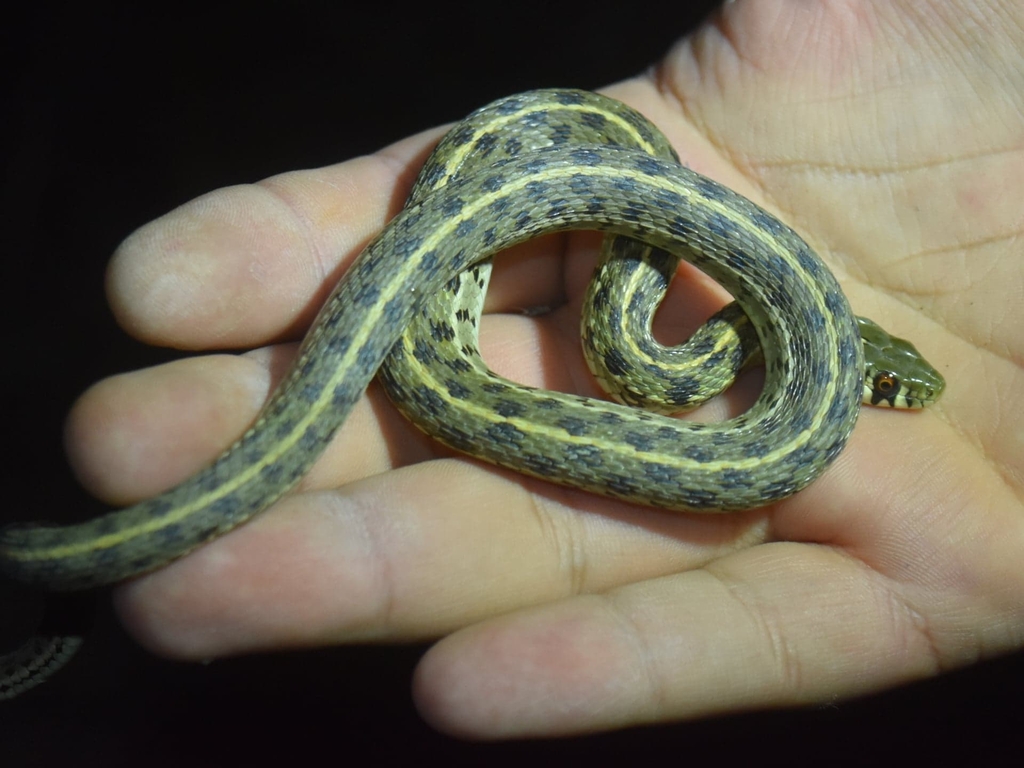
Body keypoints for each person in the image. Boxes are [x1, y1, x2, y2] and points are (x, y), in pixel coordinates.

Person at [63, 0, 1021, 739]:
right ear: (837, 362)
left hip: (588, 238)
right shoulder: (687, 341)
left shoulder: (750, 394)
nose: (887, 402)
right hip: (544, 184)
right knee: (426, 345)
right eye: (884, 389)